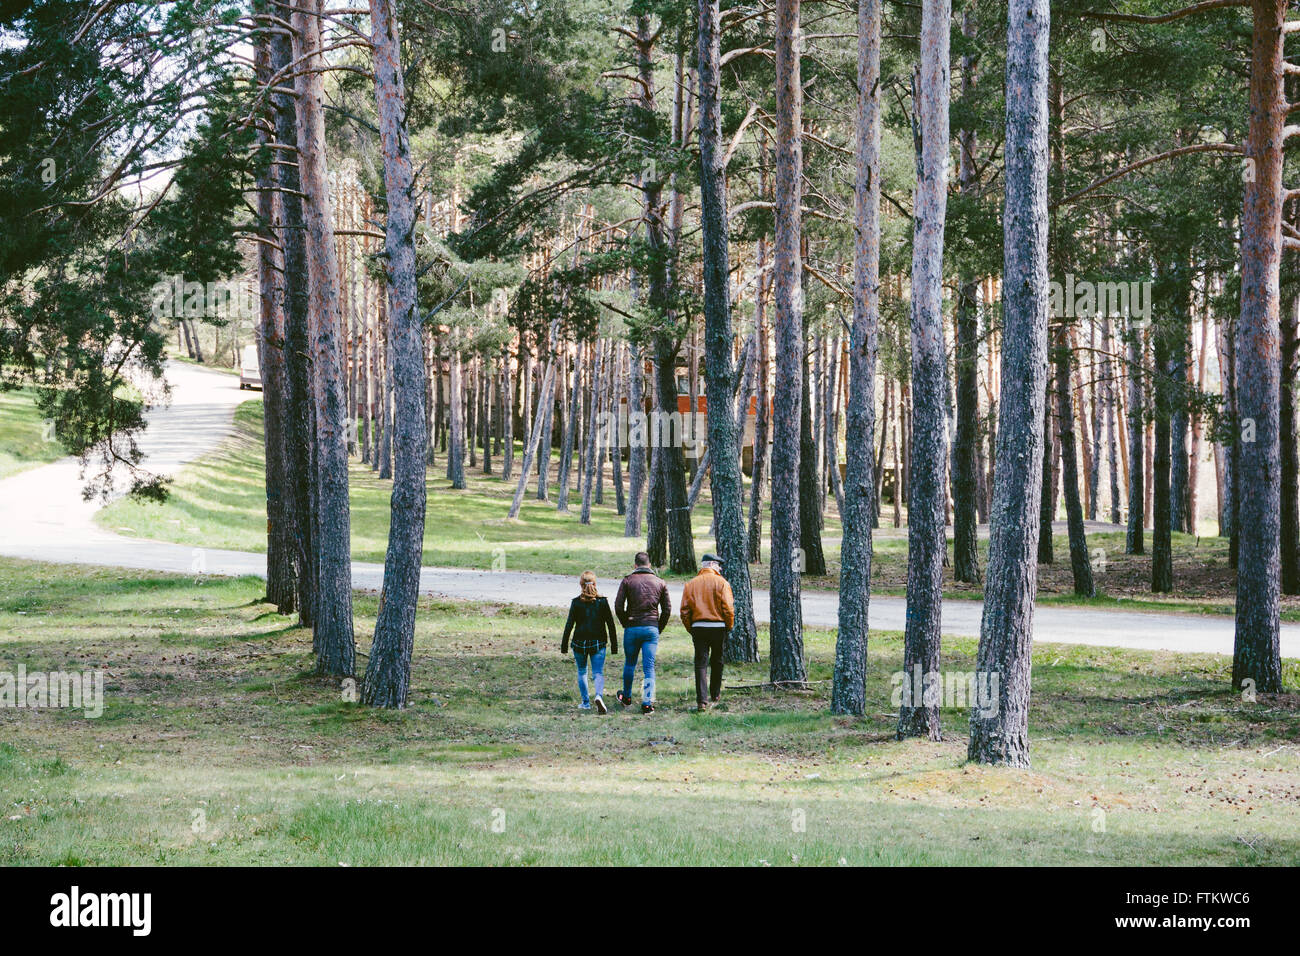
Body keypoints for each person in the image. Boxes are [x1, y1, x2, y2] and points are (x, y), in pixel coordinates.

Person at [613, 551, 670, 714]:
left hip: (632, 626)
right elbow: (667, 610)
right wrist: (658, 627)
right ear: (649, 565)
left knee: (630, 663)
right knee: (649, 667)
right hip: (651, 628)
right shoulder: (660, 582)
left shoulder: (628, 581)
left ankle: (627, 697)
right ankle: (647, 702)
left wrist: (626, 623)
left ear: (635, 565)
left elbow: (618, 606)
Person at [680, 553, 735, 711]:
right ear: (712, 564)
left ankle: (701, 701)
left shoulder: (691, 584)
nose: (720, 568)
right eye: (718, 565)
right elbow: (728, 609)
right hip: (718, 627)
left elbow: (684, 611)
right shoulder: (722, 583)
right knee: (717, 660)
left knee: (700, 663)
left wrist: (691, 628)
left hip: (699, 627)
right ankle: (715, 693)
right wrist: (728, 626)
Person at [560, 571, 618, 713]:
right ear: (595, 584)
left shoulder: (576, 602)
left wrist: (564, 645)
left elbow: (569, 624)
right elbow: (610, 624)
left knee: (582, 671)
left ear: (580, 584)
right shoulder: (602, 602)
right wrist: (614, 646)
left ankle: (585, 702)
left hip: (579, 643)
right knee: (598, 672)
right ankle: (598, 695)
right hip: (598, 642)